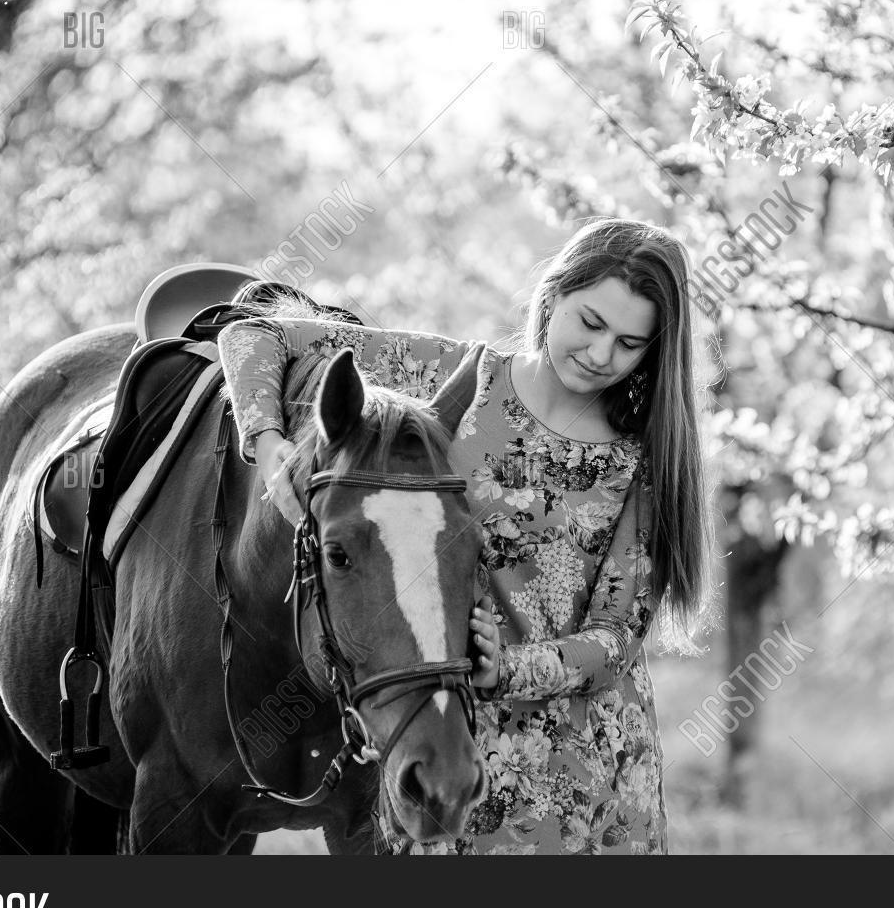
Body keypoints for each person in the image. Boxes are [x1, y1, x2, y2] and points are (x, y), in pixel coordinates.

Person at [217, 219, 716, 854]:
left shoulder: (640, 459)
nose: (600, 355)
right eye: (589, 323)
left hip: (583, 767)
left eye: (628, 343)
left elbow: (619, 634)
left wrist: (507, 667)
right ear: (553, 294)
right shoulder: (455, 376)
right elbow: (253, 334)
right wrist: (264, 442)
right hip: (442, 739)